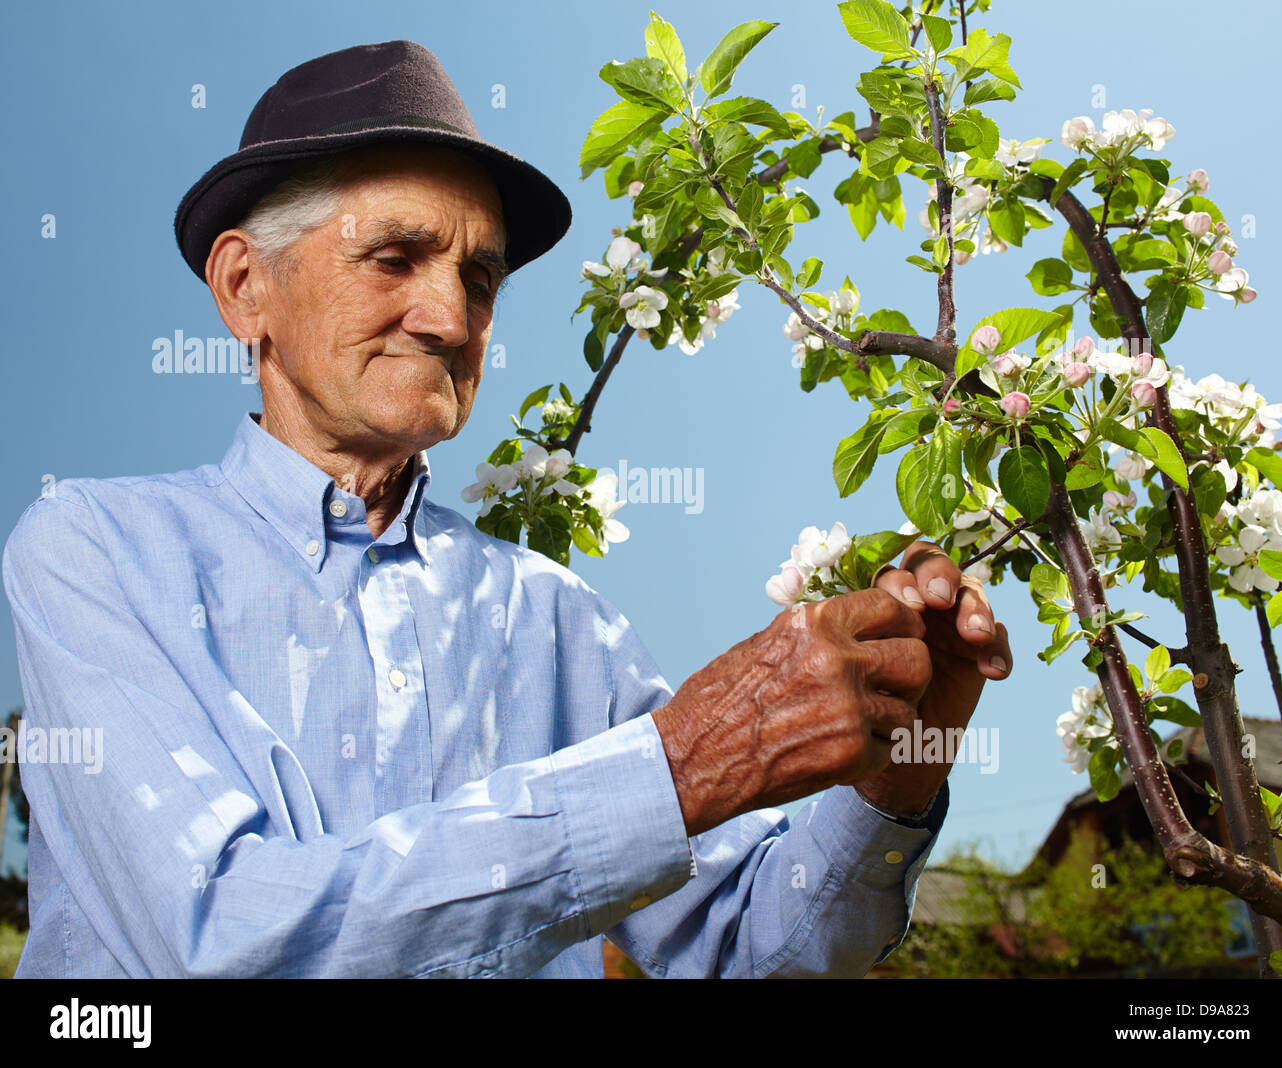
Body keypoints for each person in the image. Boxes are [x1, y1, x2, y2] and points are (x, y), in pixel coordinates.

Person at [2, 40, 1011, 978]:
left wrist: (902, 766)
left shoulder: (558, 618)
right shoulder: (97, 550)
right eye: (394, 257)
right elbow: (219, 940)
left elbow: (755, 949)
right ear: (243, 286)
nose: (449, 319)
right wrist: (685, 763)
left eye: (478, 278)